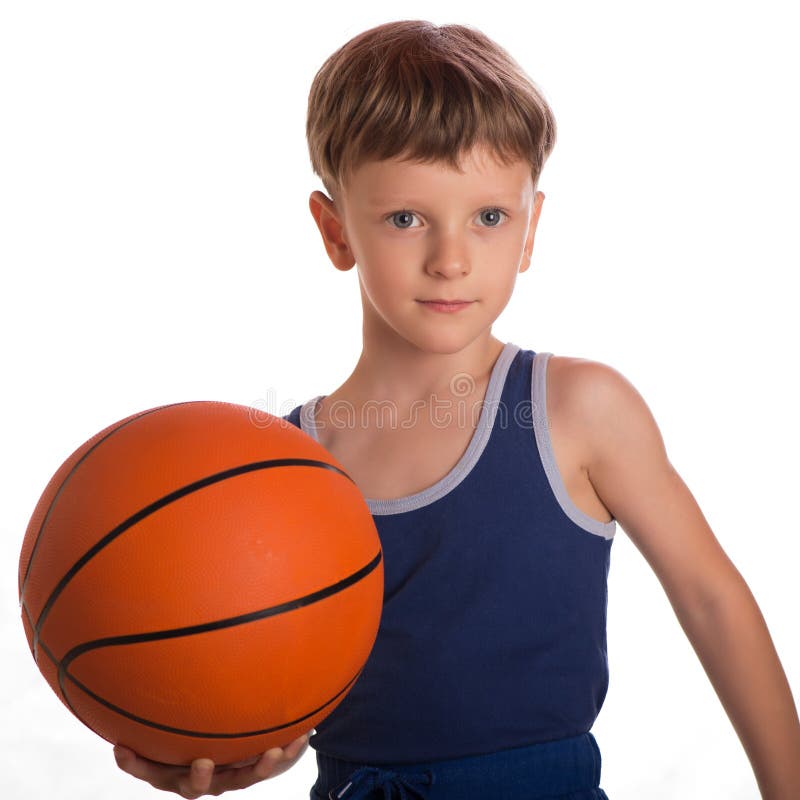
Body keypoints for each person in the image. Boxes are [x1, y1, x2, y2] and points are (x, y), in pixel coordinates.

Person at [113, 19, 800, 800]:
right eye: (406, 218)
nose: (450, 258)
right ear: (336, 230)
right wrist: (231, 746)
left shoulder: (576, 410)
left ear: (531, 227)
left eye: (489, 217)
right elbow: (271, 678)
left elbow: (712, 601)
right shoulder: (288, 465)